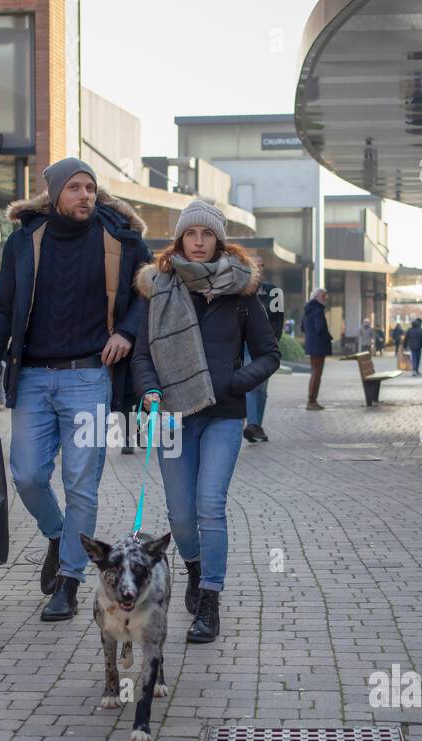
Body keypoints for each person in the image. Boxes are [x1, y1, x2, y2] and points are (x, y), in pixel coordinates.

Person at [0, 157, 151, 621]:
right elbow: (3, 310)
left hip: (89, 377)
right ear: (53, 194)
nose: (86, 195)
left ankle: (69, 579)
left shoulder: (121, 238)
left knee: (81, 485)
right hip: (31, 376)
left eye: (90, 187)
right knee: (26, 474)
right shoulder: (25, 241)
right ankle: (57, 533)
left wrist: (125, 332)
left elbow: (149, 293)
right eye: (75, 188)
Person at [133, 200, 280, 643]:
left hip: (222, 415)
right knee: (180, 517)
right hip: (174, 416)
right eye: (190, 234)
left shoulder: (240, 292)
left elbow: (269, 354)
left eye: (207, 235)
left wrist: (234, 382)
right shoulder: (159, 288)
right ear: (179, 239)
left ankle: (210, 602)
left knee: (209, 506)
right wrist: (149, 390)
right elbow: (143, 354)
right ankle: (194, 568)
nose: (198, 242)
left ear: (219, 241)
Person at [243, 268, 283, 442]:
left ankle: (256, 425)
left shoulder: (273, 292)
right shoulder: (241, 290)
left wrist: (273, 340)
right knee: (252, 384)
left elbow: (279, 318)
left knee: (261, 388)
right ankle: (252, 424)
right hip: (245, 344)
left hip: (264, 344)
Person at [303, 289, 331, 410]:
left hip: (311, 345)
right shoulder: (318, 310)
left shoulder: (308, 310)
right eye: (323, 295)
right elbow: (320, 328)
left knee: (314, 373)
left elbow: (302, 327)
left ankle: (311, 399)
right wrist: (328, 337)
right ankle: (312, 401)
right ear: (316, 297)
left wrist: (311, 336)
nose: (326, 297)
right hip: (319, 346)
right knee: (317, 374)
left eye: (326, 295)